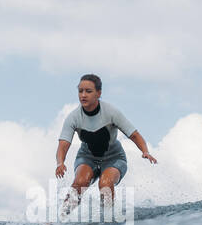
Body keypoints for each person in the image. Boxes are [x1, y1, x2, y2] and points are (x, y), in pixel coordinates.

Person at [54, 73, 156, 215]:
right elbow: (63, 145)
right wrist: (60, 163)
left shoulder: (111, 112)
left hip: (114, 158)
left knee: (105, 184)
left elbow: (134, 134)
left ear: (99, 93)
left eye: (88, 91)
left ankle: (107, 219)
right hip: (87, 157)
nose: (83, 95)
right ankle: (60, 218)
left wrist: (145, 151)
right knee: (80, 183)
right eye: (80, 91)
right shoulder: (73, 117)